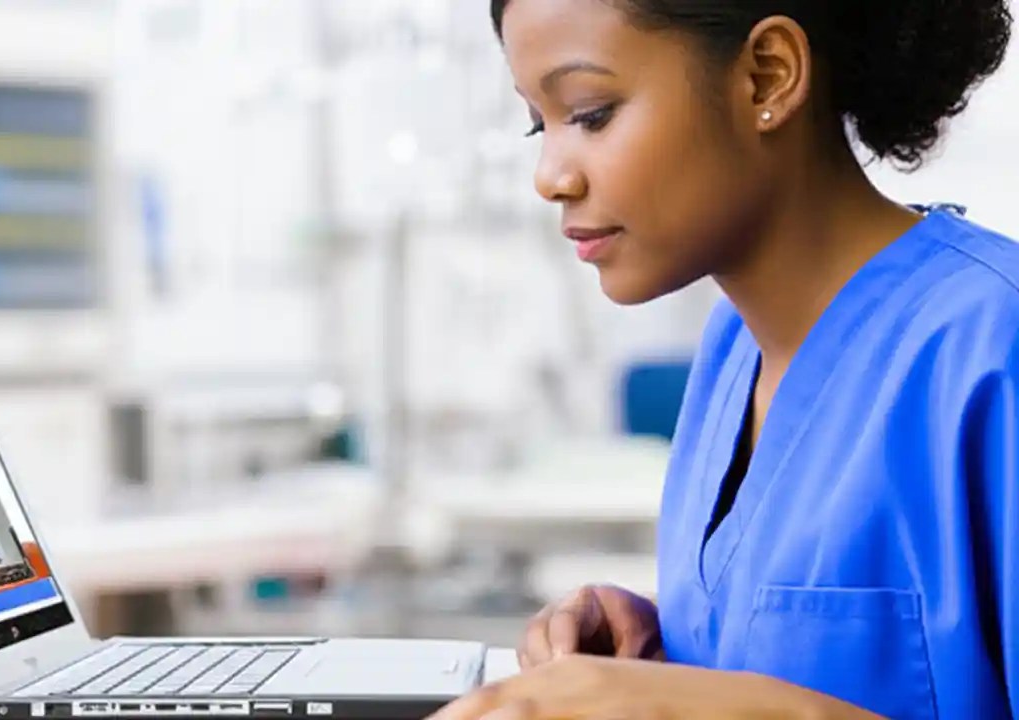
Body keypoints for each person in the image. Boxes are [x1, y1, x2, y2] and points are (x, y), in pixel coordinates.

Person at [429, 0, 1016, 718]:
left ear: (768, 76)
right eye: (538, 124)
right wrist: (659, 658)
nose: (550, 177)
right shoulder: (732, 349)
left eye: (590, 114)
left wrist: (718, 708)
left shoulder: (992, 347)